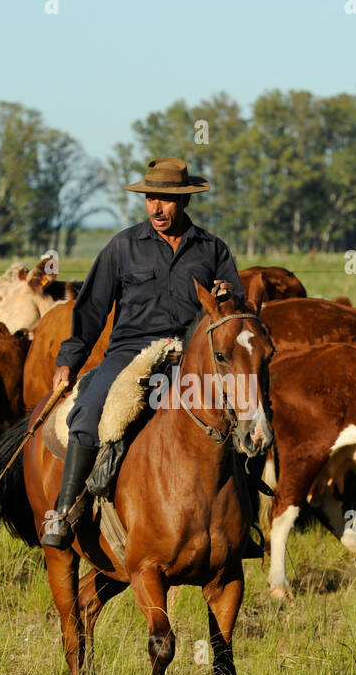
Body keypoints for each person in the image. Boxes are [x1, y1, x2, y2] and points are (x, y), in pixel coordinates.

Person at [40, 157, 242, 548]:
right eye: (151, 198)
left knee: (240, 414)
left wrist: (228, 294)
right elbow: (92, 308)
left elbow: (234, 309)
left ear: (183, 202)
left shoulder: (212, 249)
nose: (156, 207)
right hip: (130, 353)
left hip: (190, 357)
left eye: (165, 200)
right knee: (89, 409)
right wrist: (69, 360)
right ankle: (65, 512)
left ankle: (240, 522)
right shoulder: (122, 247)